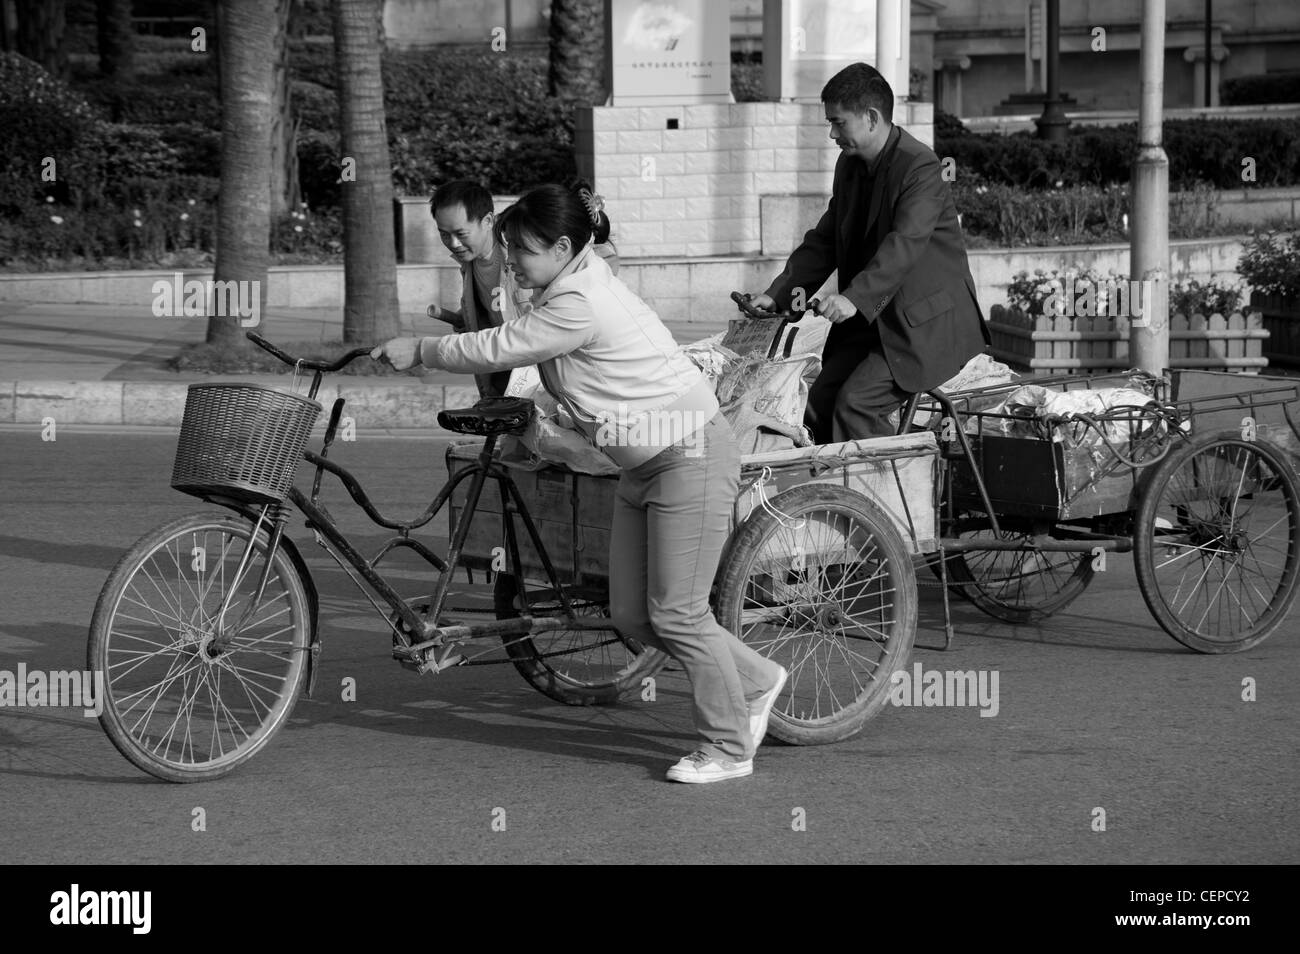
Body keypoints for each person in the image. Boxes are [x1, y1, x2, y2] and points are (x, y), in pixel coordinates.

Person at [373, 183, 788, 784]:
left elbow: (503, 346)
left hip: (689, 455)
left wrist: (422, 348)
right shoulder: (562, 284)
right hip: (641, 465)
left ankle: (728, 748)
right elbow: (514, 331)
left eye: (519, 249)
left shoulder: (580, 300)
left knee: (676, 613)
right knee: (631, 613)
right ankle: (757, 679)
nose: (509, 260)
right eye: (508, 247)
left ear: (563, 246)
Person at [745, 62, 991, 443]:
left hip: (926, 327)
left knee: (855, 405)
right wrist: (777, 295)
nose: (831, 133)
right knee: (817, 403)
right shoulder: (850, 164)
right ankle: (833, 495)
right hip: (874, 325)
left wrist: (851, 299)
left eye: (838, 122)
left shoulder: (922, 166)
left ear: (872, 118)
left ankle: (886, 499)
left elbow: (904, 245)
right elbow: (825, 239)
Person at [429, 178, 619, 398]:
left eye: (461, 234)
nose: (453, 243)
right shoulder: (470, 263)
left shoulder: (527, 247)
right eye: (444, 234)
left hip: (544, 386)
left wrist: (563, 307)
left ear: (488, 220)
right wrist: (469, 317)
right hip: (500, 381)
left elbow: (602, 259)